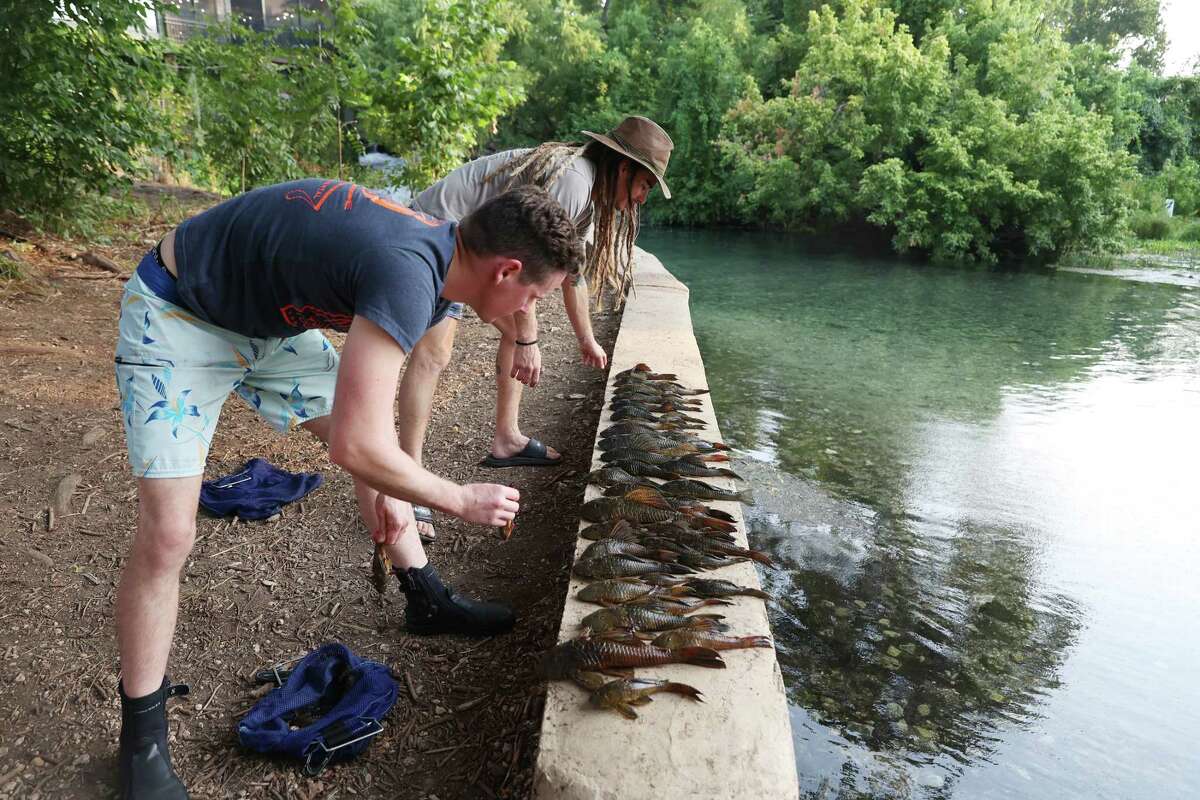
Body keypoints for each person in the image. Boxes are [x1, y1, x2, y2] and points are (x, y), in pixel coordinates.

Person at [111, 179, 582, 799]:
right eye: (535, 297)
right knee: (170, 534)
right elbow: (354, 446)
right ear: (507, 271)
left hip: (267, 326)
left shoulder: (446, 268)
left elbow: (369, 431)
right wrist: (457, 498)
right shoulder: (409, 272)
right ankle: (141, 740)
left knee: (376, 450)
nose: (529, 311)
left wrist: (387, 476)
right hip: (180, 313)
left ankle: (425, 597)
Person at [397, 115, 673, 541]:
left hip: (474, 243)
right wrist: (528, 338)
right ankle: (405, 484)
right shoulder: (574, 181)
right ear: (624, 167)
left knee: (513, 332)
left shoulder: (589, 192)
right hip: (438, 228)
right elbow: (523, 261)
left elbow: (571, 274)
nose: (641, 198)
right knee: (435, 353)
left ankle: (506, 439)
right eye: (644, 185)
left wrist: (586, 339)